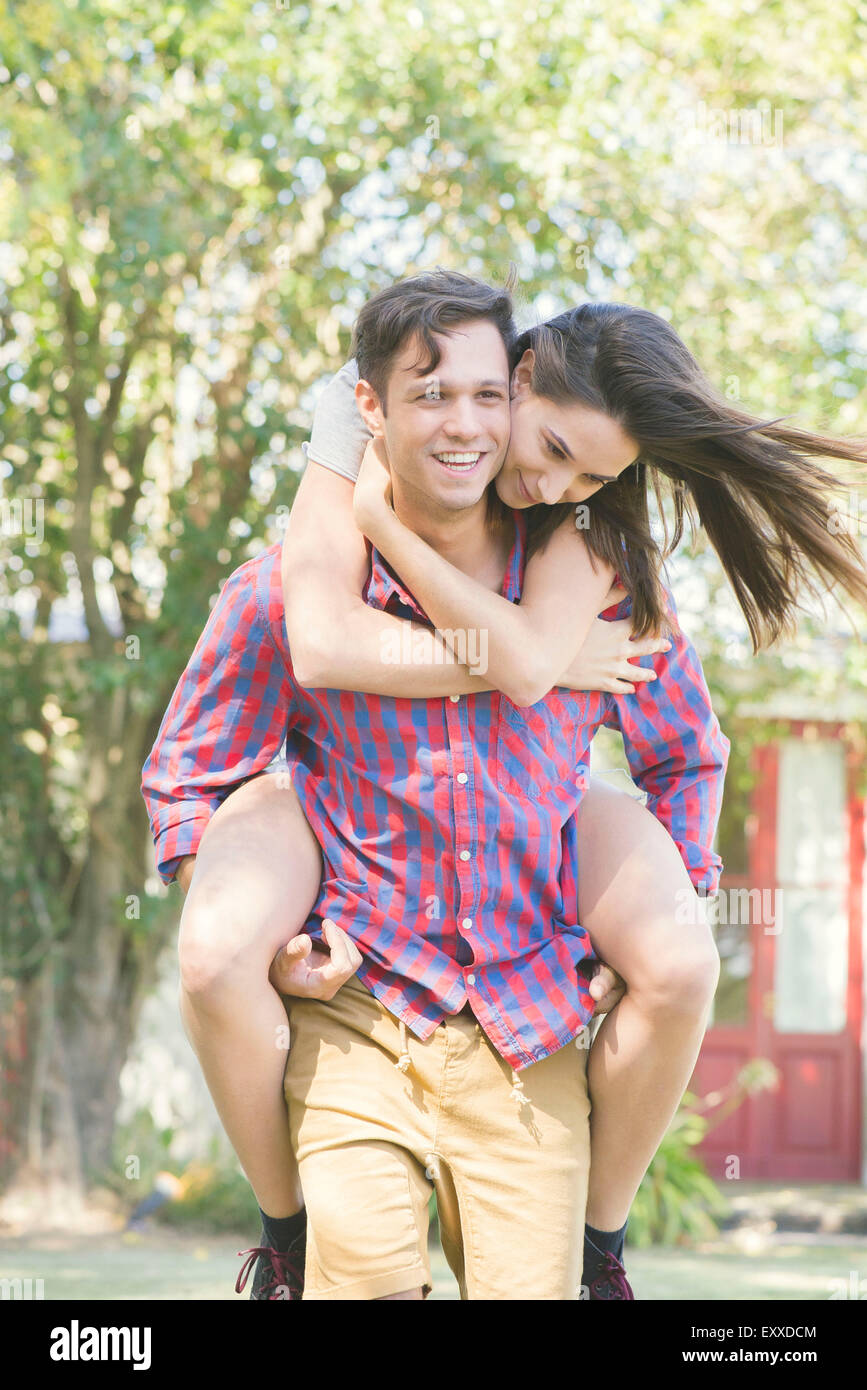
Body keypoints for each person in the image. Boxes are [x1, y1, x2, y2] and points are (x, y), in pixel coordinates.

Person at [142, 270, 732, 1299]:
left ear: (511, 388)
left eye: (585, 474)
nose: (551, 482)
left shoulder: (599, 580)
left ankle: (602, 1253)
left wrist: (646, 916)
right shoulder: (293, 584)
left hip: (528, 1006)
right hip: (366, 992)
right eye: (551, 451)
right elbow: (192, 773)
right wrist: (263, 924)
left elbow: (684, 752)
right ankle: (282, 1242)